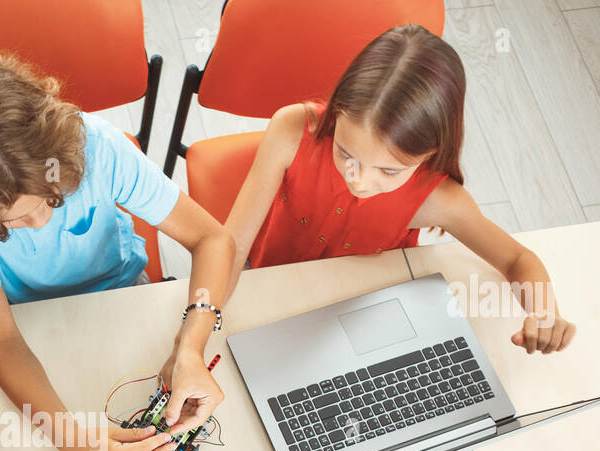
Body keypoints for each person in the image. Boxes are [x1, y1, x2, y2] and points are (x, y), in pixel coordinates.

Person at [0, 51, 236, 451]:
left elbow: (212, 239)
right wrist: (71, 440)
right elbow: (1, 339)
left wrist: (191, 344)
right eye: (14, 219)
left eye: (50, 199)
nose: (40, 221)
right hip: (23, 321)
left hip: (121, 295)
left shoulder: (96, 147)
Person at [224, 24, 576, 355]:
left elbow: (517, 259)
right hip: (266, 292)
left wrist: (545, 314)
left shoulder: (438, 199)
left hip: (359, 326)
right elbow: (233, 247)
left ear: (429, 154)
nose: (358, 181)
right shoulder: (293, 128)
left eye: (389, 171)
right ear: (336, 112)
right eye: (346, 153)